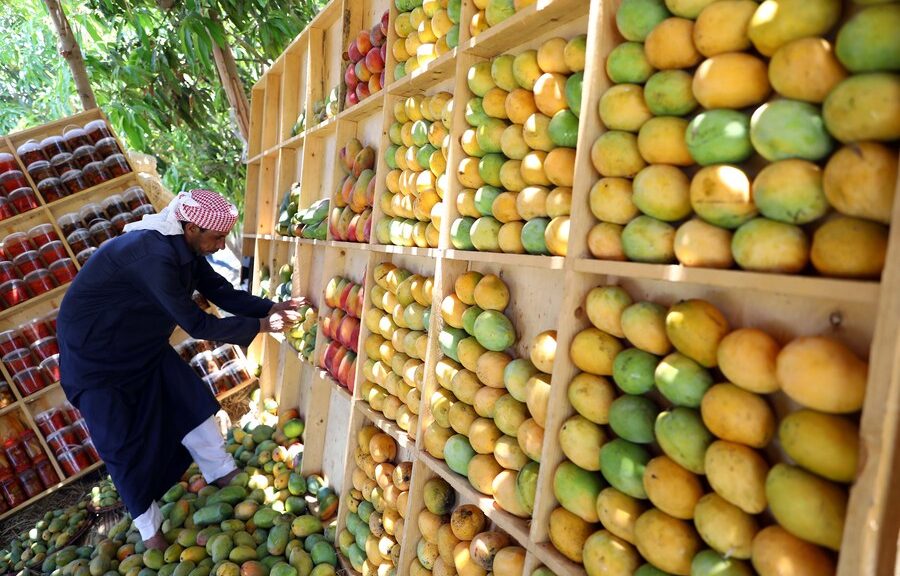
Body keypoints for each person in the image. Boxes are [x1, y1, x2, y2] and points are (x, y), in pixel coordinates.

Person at [57, 189, 298, 550]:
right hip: (97, 361)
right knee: (121, 444)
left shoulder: (182, 246)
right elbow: (198, 324)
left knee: (190, 401)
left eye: (223, 238)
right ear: (190, 227)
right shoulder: (153, 255)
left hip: (140, 346)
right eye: (216, 238)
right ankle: (152, 534)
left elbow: (221, 291)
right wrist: (262, 327)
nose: (219, 246)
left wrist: (270, 308)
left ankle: (222, 472)